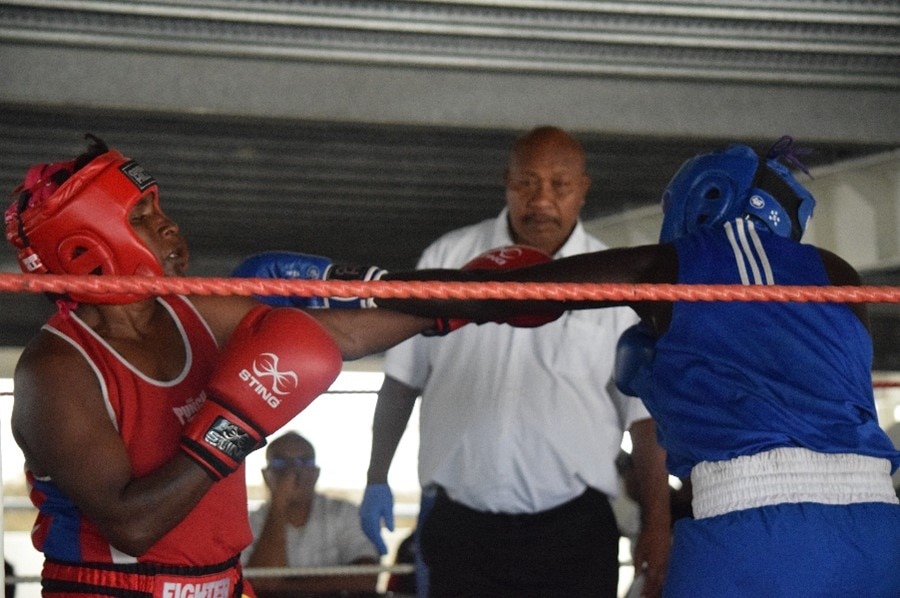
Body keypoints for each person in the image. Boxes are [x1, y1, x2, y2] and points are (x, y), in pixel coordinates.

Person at [384, 137, 900, 596]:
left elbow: (507, 295)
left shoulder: (670, 266)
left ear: (702, 198)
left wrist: (361, 285)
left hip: (748, 520)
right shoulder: (839, 274)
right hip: (880, 524)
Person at [1, 134, 488, 597]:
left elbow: (342, 332)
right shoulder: (56, 369)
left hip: (224, 583)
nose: (169, 225)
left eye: (159, 209)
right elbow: (133, 525)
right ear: (86, 250)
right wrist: (236, 424)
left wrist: (480, 300)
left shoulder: (195, 311)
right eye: (142, 216)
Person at [360, 126, 672, 598]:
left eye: (559, 184)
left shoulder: (616, 280)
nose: (541, 199)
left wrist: (658, 523)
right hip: (461, 529)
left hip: (574, 531)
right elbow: (402, 382)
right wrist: (375, 476)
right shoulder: (448, 259)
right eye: (527, 182)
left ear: (583, 190)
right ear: (506, 182)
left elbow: (643, 420)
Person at [243, 432, 379, 597]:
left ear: (316, 472)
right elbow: (261, 583)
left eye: (304, 462)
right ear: (266, 475)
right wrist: (279, 504)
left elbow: (367, 578)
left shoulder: (343, 513)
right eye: (281, 463)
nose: (294, 472)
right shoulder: (248, 523)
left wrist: (286, 587)